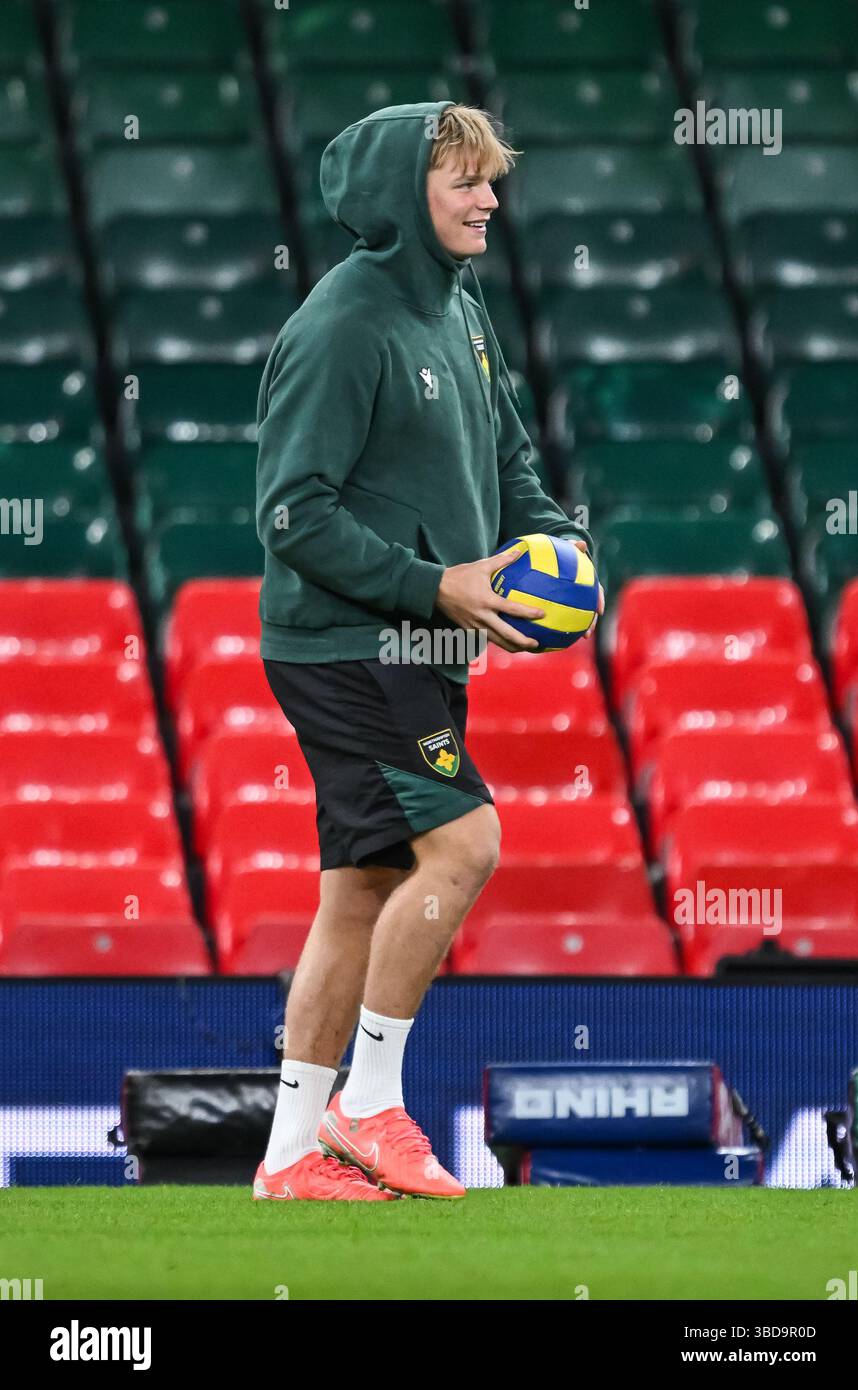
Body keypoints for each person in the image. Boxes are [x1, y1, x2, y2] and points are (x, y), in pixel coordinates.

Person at [253, 102, 601, 1201]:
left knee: (358, 889)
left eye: (492, 180)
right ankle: (370, 1103)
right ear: (404, 193)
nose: (489, 199)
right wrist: (433, 583)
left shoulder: (461, 307)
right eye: (464, 181)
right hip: (347, 640)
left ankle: (286, 1159)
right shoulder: (341, 323)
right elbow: (290, 515)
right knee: (463, 847)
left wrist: (553, 538)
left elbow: (504, 455)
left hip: (418, 642)